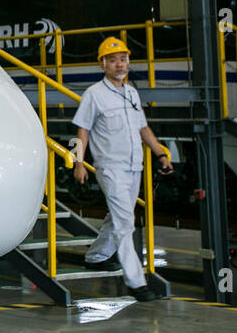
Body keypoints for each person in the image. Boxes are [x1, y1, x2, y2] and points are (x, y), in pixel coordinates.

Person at [72, 37, 173, 302]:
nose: (120, 64)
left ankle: (95, 257)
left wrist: (160, 152)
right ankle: (136, 282)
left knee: (119, 217)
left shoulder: (131, 92)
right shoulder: (94, 94)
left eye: (124, 59)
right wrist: (78, 162)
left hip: (134, 166)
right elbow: (82, 130)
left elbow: (143, 128)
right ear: (103, 64)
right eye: (114, 60)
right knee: (125, 223)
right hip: (111, 168)